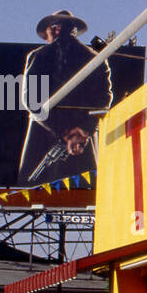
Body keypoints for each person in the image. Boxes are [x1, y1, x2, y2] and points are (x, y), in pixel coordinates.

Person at [17, 10, 112, 186]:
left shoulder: (39, 55)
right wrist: (82, 131)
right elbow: (103, 100)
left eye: (54, 27)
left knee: (29, 193)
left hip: (47, 134)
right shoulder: (95, 58)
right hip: (73, 137)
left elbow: (31, 100)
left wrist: (71, 133)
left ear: (57, 28)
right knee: (84, 191)